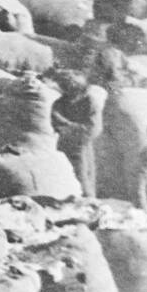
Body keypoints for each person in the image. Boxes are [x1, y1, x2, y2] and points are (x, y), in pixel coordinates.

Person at [50, 69, 106, 197]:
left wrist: (69, 126)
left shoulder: (89, 101)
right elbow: (55, 121)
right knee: (65, 179)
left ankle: (88, 206)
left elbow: (93, 128)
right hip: (65, 145)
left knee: (84, 179)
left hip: (83, 146)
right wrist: (73, 128)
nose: (65, 90)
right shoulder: (60, 102)